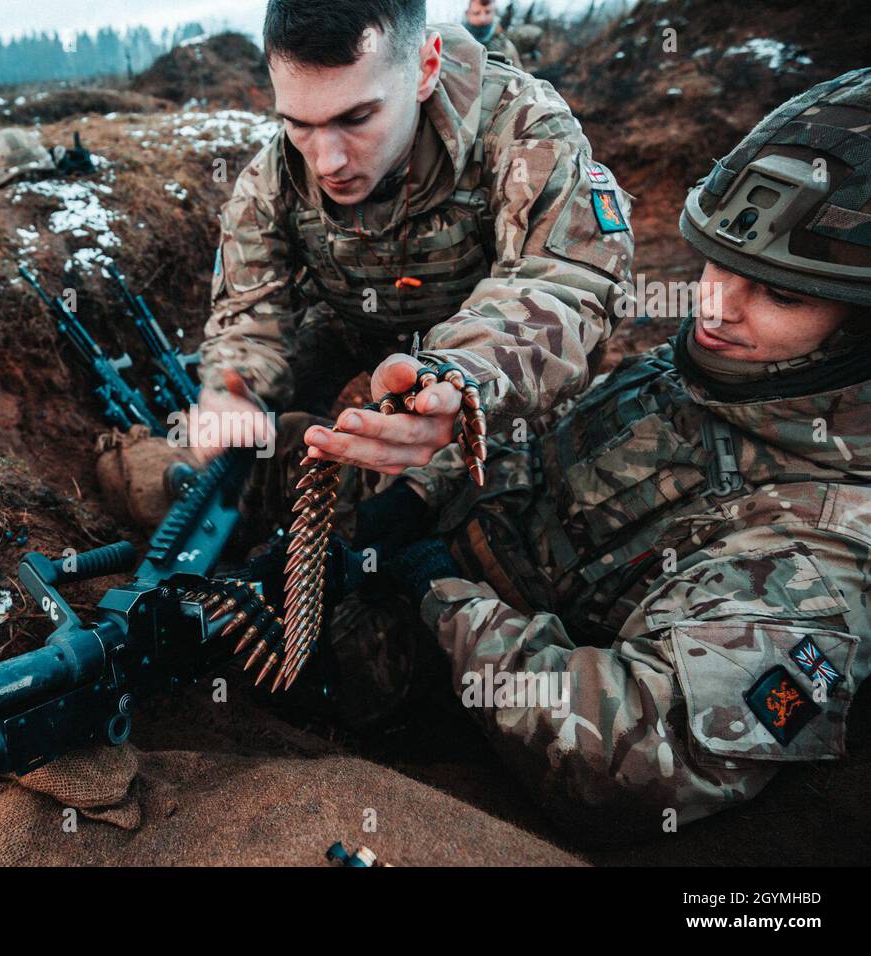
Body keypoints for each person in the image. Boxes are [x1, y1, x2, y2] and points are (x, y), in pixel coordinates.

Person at [304, 69, 871, 841]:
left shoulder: (826, 550)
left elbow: (632, 757)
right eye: (717, 264)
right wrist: (422, 492)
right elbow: (543, 440)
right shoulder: (728, 374)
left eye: (781, 295)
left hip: (460, 684)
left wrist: (440, 599)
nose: (712, 305)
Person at [182, 0, 633, 544]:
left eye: (356, 119)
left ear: (426, 69)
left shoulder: (523, 128)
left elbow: (565, 283)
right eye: (299, 124)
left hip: (477, 345)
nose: (327, 162)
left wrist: (462, 375)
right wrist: (235, 385)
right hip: (350, 322)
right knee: (253, 438)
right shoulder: (272, 175)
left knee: (486, 484)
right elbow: (248, 312)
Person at [463, 0, 523, 69]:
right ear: (467, 14)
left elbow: (519, 74)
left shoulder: (504, 45)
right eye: (476, 13)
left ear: (494, 12)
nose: (483, 18)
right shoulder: (458, 43)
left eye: (488, 12)